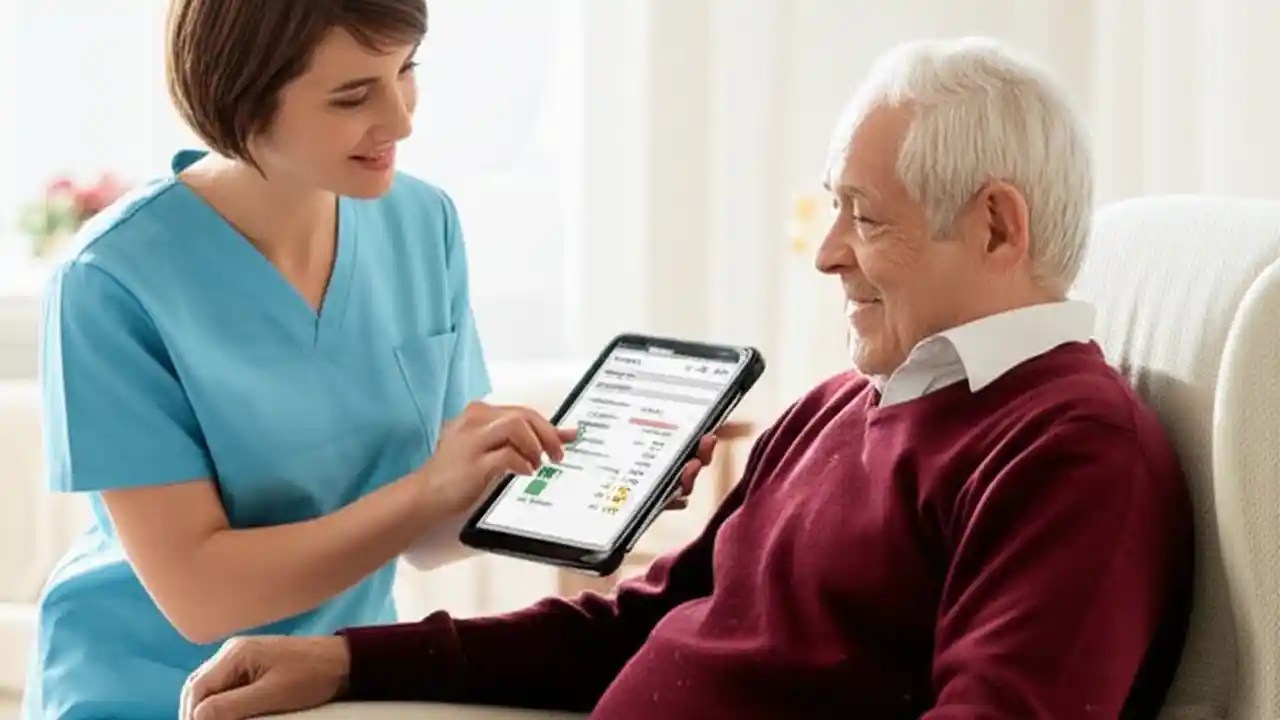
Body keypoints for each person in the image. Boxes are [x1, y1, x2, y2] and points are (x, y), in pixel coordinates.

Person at [180, 38, 1195, 720]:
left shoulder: (1070, 453)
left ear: (996, 227)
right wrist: (346, 659)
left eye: (865, 216)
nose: (827, 254)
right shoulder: (840, 404)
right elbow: (633, 625)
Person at [22, 1, 714, 718]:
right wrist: (426, 491)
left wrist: (586, 490)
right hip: (150, 694)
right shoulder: (111, 280)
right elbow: (202, 596)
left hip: (336, 683)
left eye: (405, 70)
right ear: (243, 95)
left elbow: (427, 535)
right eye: (352, 96)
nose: (401, 119)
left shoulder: (423, 224)